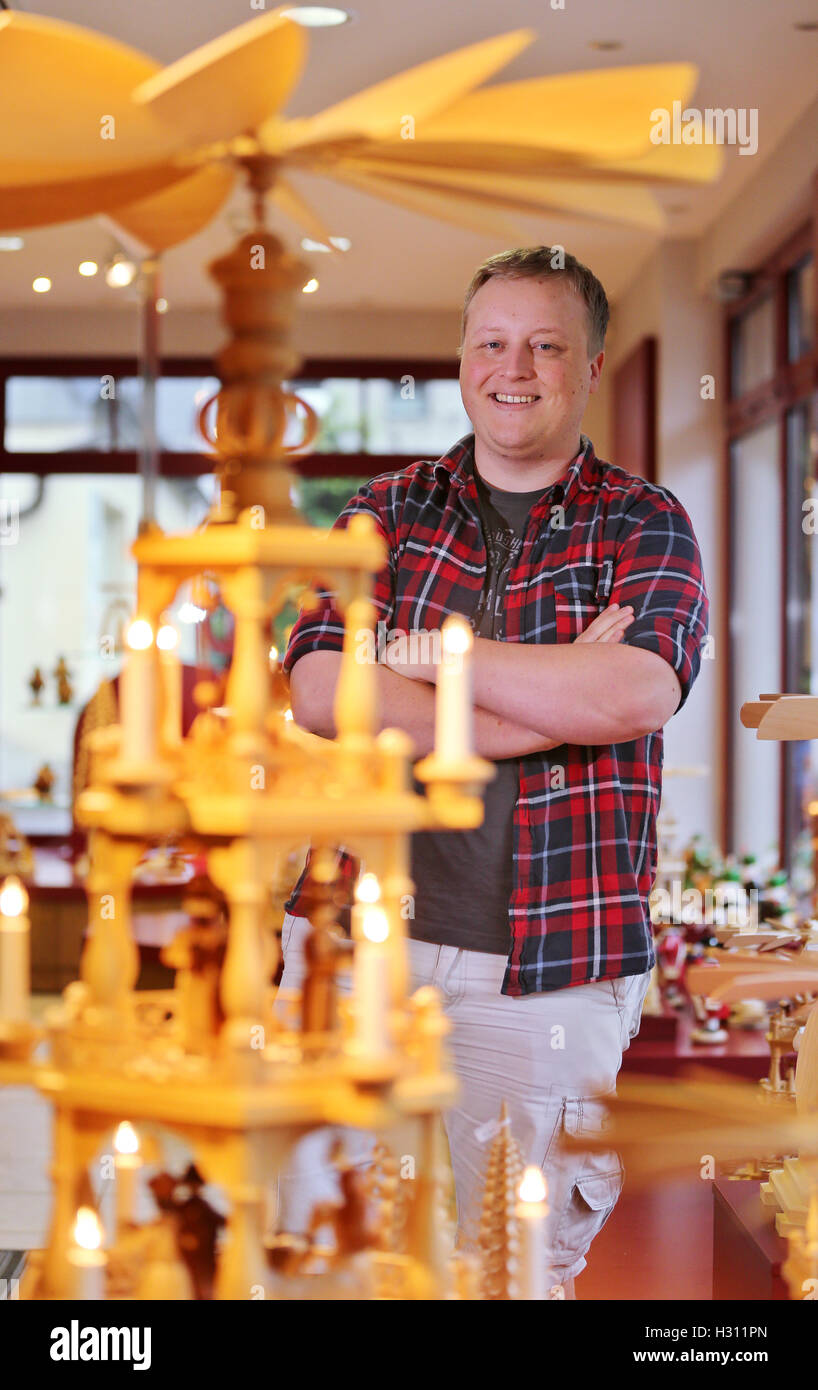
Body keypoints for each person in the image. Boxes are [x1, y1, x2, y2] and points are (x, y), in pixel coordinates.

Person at [277, 245, 709, 1296]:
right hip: (351, 943)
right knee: (323, 1254)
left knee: (511, 1266)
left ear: (589, 366)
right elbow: (322, 688)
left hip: (551, 967)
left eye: (544, 345)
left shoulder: (641, 520)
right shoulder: (386, 509)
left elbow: (632, 694)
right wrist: (537, 699)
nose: (512, 367)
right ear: (462, 358)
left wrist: (428, 659)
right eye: (491, 342)